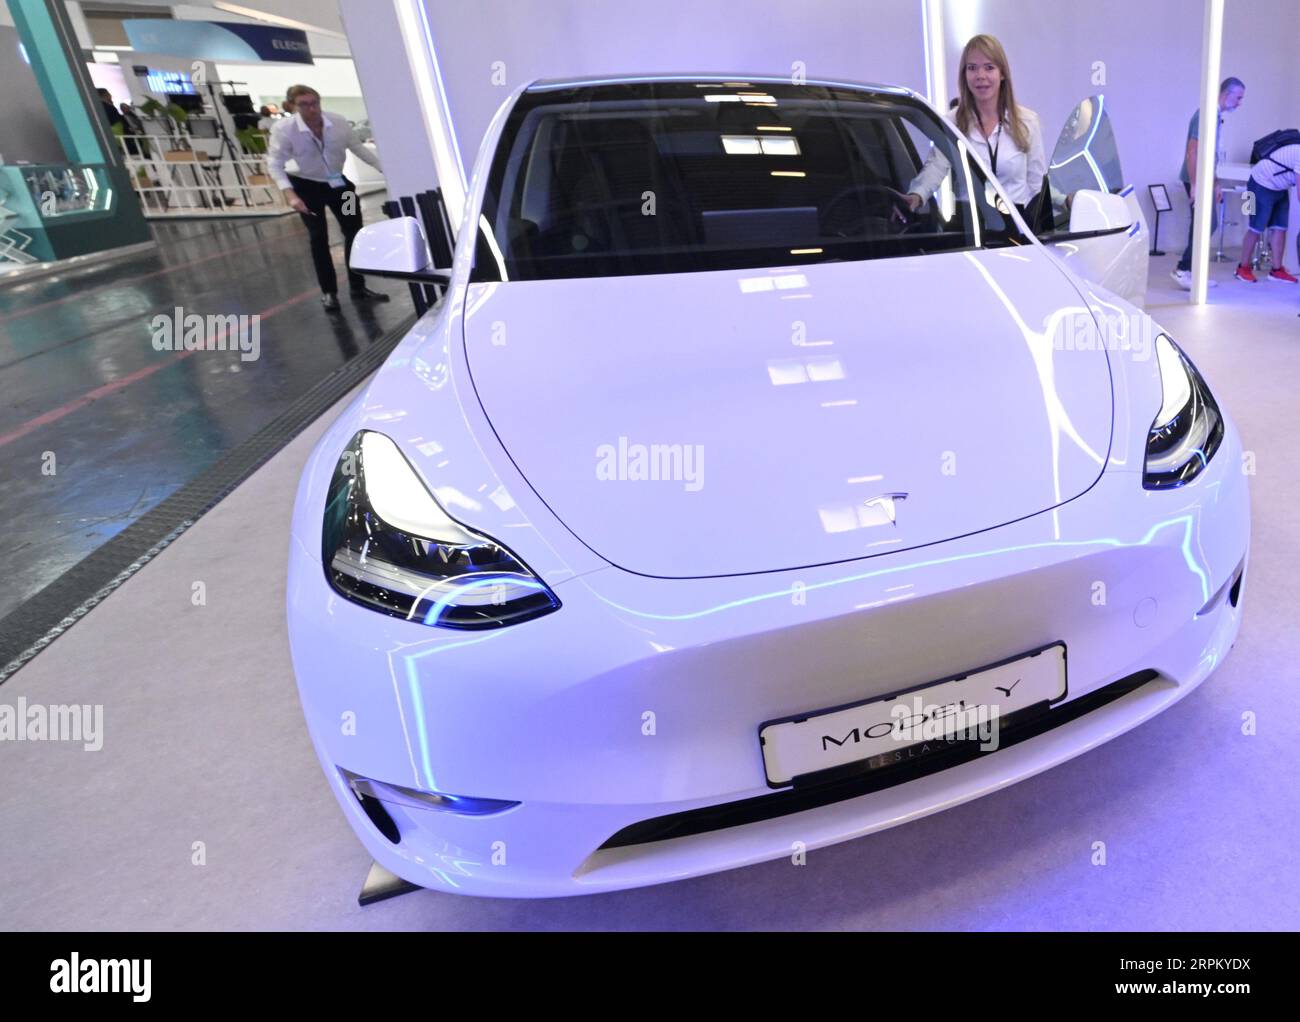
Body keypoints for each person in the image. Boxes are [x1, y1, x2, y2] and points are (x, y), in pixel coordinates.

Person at [267, 84, 389, 312]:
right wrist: (290, 194)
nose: (312, 109)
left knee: (356, 230)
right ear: (292, 106)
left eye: (314, 103)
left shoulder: (338, 123)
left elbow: (358, 148)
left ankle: (358, 287)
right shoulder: (284, 130)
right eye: (304, 104)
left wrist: (386, 170)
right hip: (304, 186)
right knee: (318, 237)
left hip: (339, 184)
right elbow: (274, 164)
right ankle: (329, 292)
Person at [905, 35, 1046, 217]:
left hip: (1019, 227)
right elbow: (935, 167)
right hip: (971, 228)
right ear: (964, 74)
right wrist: (917, 194)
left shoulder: (1027, 121)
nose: (980, 76)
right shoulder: (951, 122)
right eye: (972, 68)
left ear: (1002, 74)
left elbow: (1037, 186)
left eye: (989, 67)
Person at [1169, 77, 1245, 291]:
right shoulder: (1206, 115)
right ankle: (1183, 269)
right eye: (1238, 98)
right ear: (1226, 94)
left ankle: (1191, 272)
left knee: (1204, 224)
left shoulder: (1217, 117)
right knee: (1206, 224)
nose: (1240, 103)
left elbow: (1210, 156)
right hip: (1196, 180)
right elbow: (1193, 151)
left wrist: (1216, 183)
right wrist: (1195, 185)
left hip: (1205, 180)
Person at [1234, 138, 1299, 283]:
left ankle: (1276, 270)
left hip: (1280, 187)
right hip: (1258, 183)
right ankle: (1242, 268)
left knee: (1280, 228)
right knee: (1255, 228)